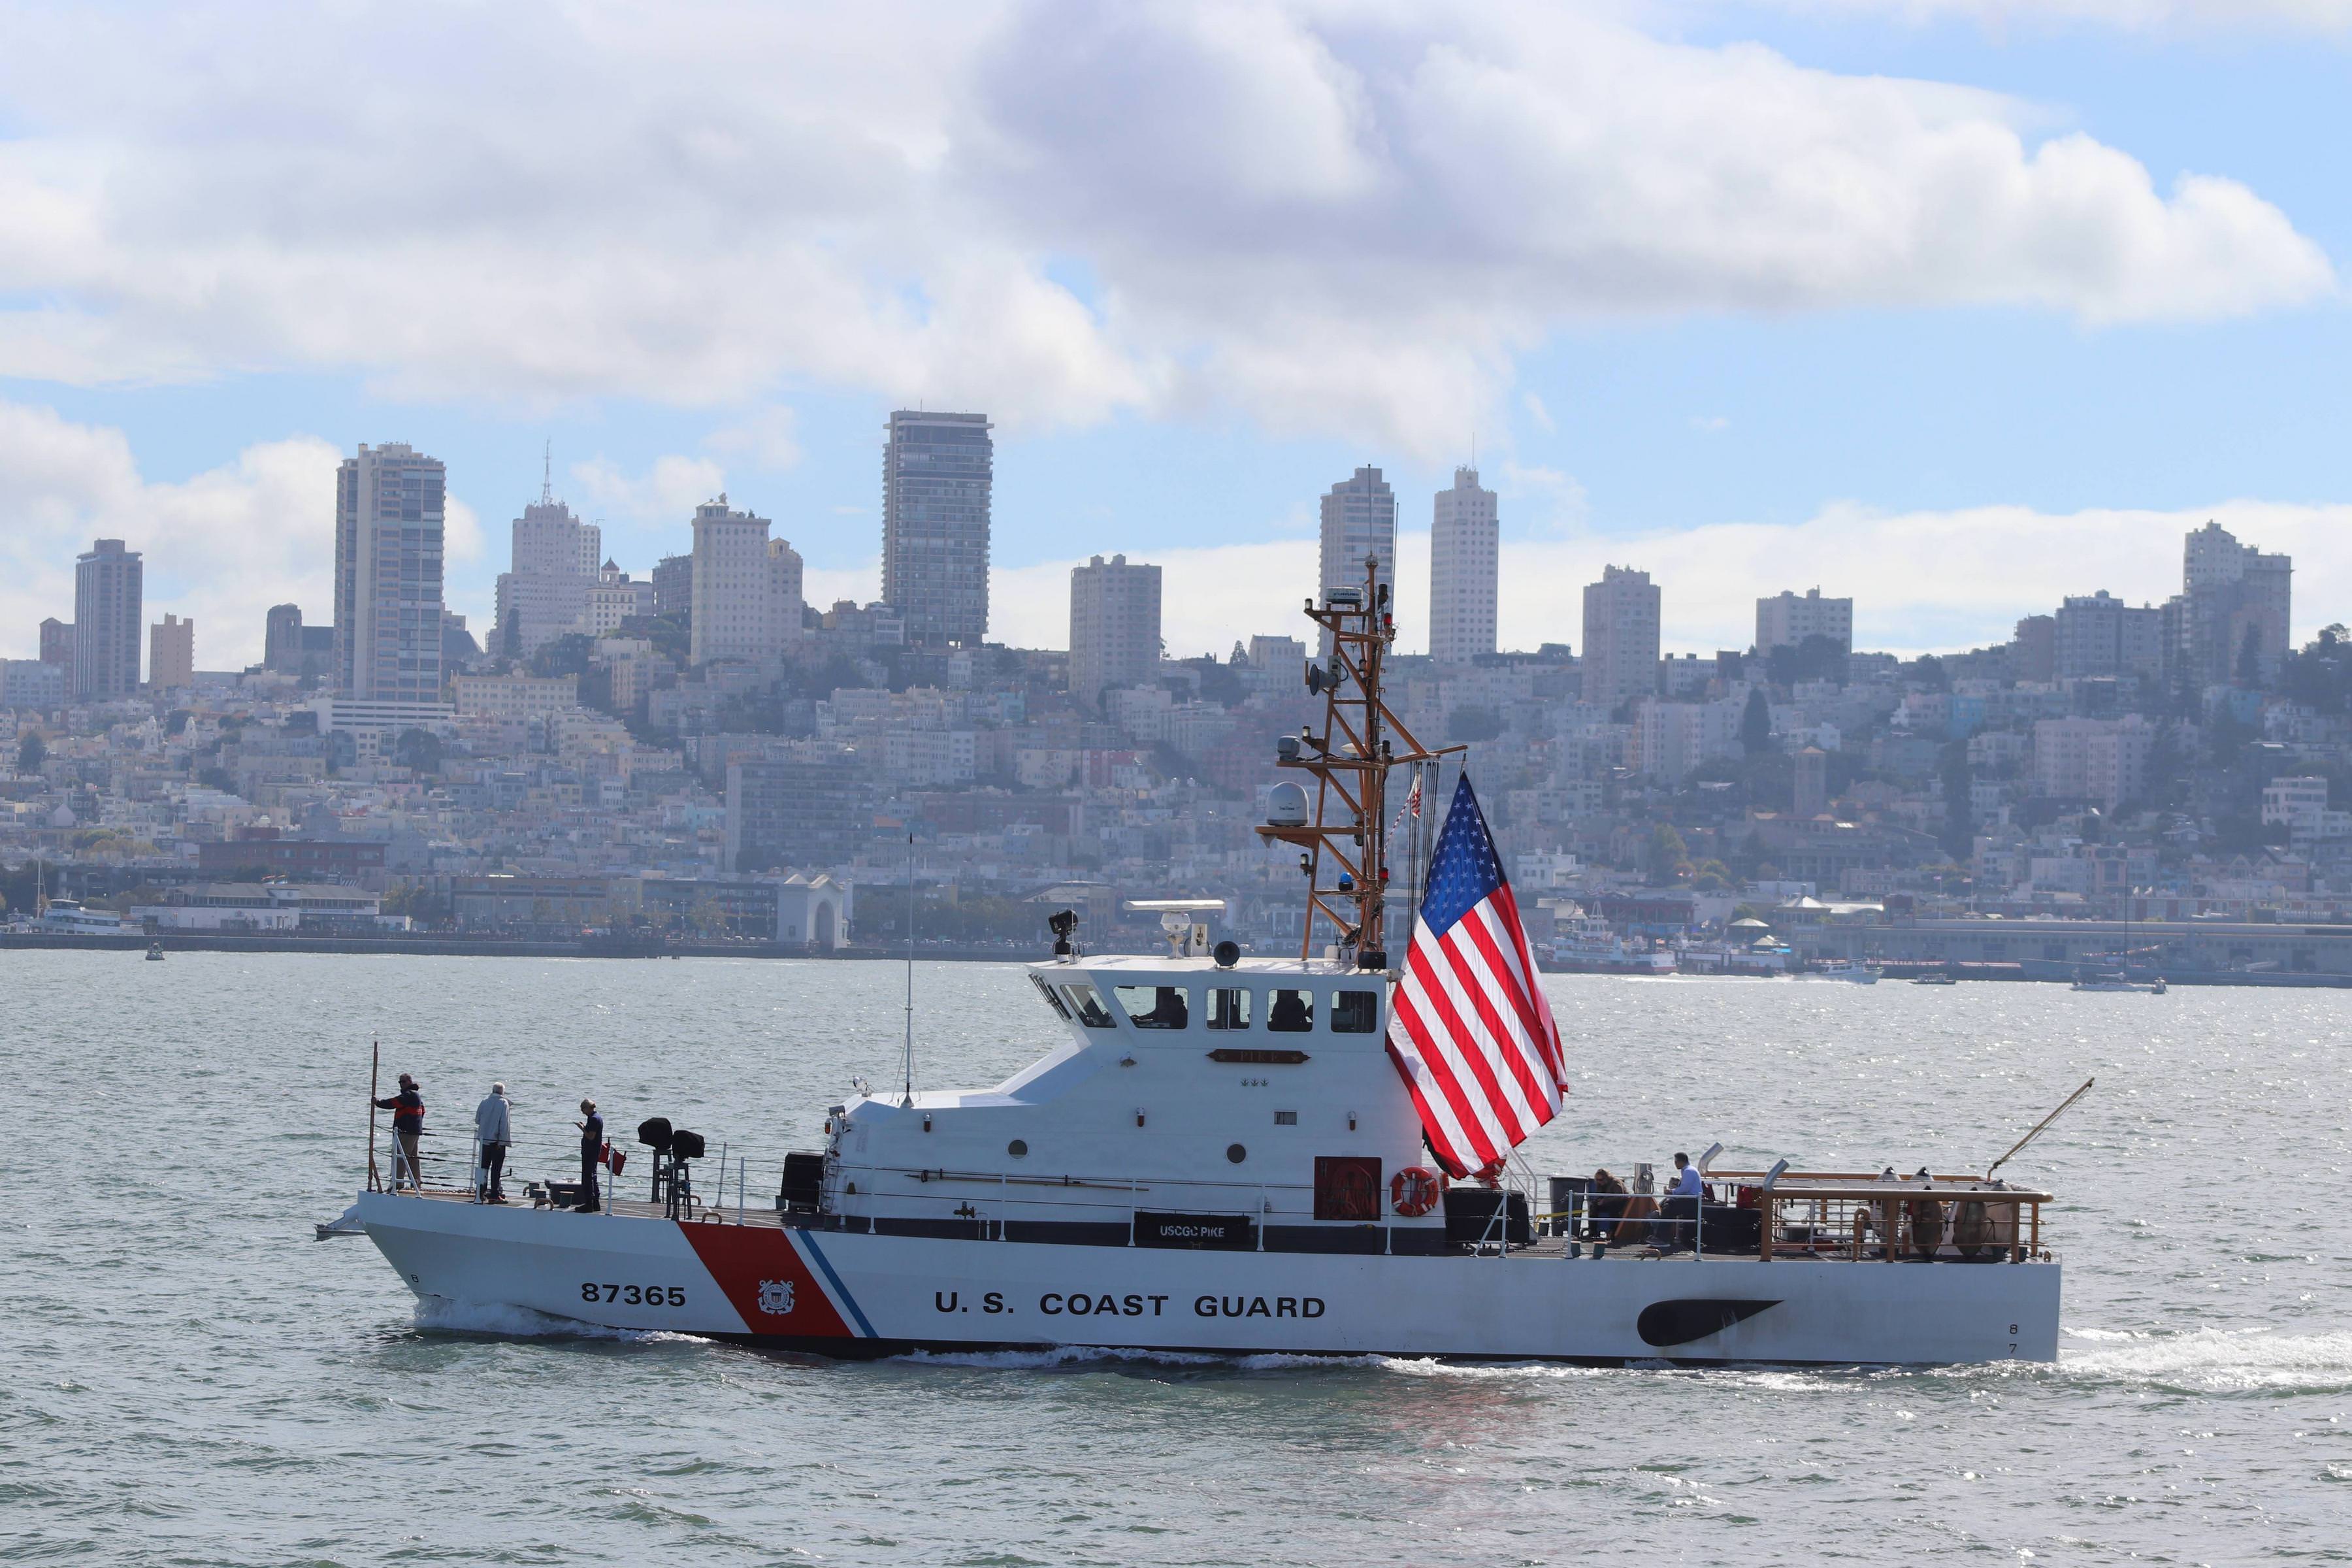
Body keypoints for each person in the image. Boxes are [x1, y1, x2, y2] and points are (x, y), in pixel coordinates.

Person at [374, 1073, 425, 1192]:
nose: (401, 1084)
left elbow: (393, 1103)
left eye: (403, 1082)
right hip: (415, 1132)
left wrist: (377, 1102)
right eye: (400, 1082)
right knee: (413, 1159)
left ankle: (398, 1184)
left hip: (406, 1133)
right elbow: (423, 1111)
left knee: (400, 1158)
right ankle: (416, 1184)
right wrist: (417, 1124)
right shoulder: (416, 1096)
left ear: (409, 1082)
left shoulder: (408, 1095)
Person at [474, 1082, 512, 1203]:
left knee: (483, 1168)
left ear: (492, 1090)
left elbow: (478, 1120)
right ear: (502, 1092)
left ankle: (480, 1193)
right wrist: (503, 1141)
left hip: (484, 1141)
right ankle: (495, 1194)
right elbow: (504, 1124)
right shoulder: (503, 1103)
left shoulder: (484, 1101)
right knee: (496, 1169)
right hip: (497, 1142)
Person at [1662, 1151, 1704, 1250]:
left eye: (1676, 1161)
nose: (1675, 1164)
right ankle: (1682, 1240)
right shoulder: (1689, 1170)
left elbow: (1685, 1188)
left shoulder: (1688, 1171)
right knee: (1686, 1220)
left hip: (1691, 1201)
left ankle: (1663, 1237)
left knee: (1667, 1209)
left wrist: (1671, 1192)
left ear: (1681, 1162)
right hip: (1692, 1200)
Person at [574, 1098, 604, 1212]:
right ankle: (596, 1203)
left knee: (587, 1177)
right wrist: (585, 1127)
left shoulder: (594, 1120)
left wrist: (582, 1128)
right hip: (594, 1151)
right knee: (593, 1176)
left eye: (583, 1109)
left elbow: (591, 1136)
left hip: (590, 1151)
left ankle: (589, 1204)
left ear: (588, 1107)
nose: (582, 1112)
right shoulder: (596, 1118)